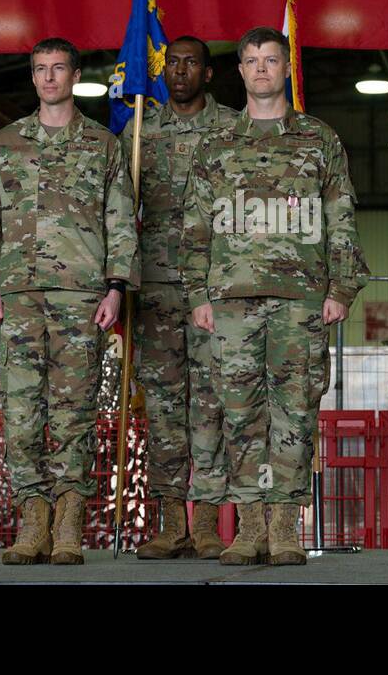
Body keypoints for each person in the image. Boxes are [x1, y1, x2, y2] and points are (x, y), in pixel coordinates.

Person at [181, 26, 369, 566]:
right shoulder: (215, 146)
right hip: (232, 302)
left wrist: (341, 289)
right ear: (239, 71)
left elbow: (341, 220)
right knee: (238, 413)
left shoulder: (318, 139)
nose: (261, 68)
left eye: (271, 59)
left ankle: (285, 525)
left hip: (302, 300)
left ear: (286, 68)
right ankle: (249, 527)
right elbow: (194, 228)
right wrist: (197, 291)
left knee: (295, 412)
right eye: (251, 60)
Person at [0, 37, 139, 565]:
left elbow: (121, 220)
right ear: (32, 78)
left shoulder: (102, 145)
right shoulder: (5, 144)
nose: (49, 77)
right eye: (40, 69)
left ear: (74, 75)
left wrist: (116, 288)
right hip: (19, 295)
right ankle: (32, 519)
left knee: (74, 410)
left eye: (58, 68)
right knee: (21, 411)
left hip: (80, 295)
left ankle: (69, 521)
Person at [123, 36, 239, 560]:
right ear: (162, 69)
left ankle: (209, 521)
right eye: (173, 62)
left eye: (192, 63)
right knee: (166, 409)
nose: (181, 71)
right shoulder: (139, 130)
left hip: (215, 288)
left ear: (208, 74)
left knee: (212, 403)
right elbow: (120, 210)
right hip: (156, 289)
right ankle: (172, 523)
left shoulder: (233, 129)